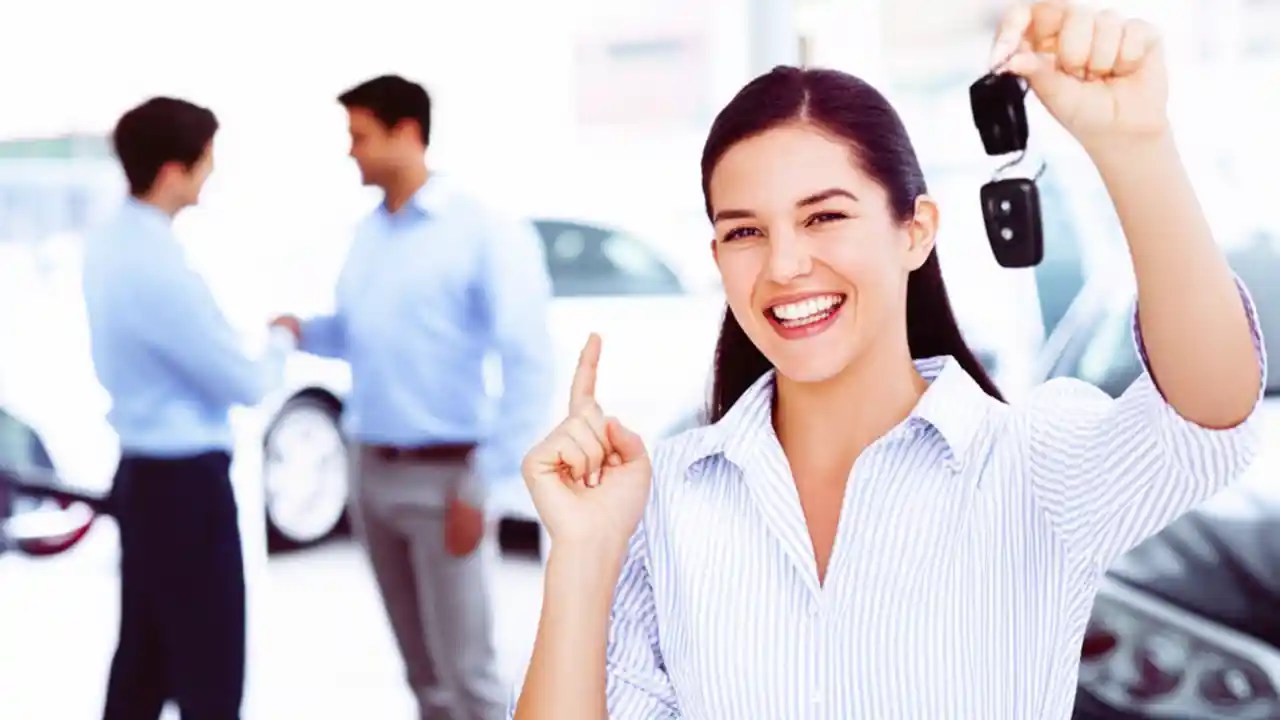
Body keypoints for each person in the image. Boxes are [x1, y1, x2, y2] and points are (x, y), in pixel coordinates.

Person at [510, 3, 1267, 718]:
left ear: (916, 231)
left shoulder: (1029, 462)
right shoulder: (665, 501)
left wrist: (1135, 146)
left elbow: (1204, 414)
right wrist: (582, 552)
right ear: (717, 257)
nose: (785, 265)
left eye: (825, 216)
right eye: (746, 233)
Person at [271, 74, 554, 720]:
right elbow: (362, 335)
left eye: (359, 136)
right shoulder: (369, 234)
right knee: (422, 675)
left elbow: (529, 362)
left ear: (407, 133)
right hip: (371, 473)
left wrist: (485, 482)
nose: (351, 152)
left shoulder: (481, 231)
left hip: (447, 480)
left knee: (469, 677)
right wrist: (304, 332)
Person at [83, 97, 289, 720]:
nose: (212, 173)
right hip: (185, 490)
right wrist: (282, 339)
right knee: (210, 671)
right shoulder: (158, 266)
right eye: (206, 160)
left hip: (145, 481)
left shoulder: (110, 240)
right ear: (175, 170)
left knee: (143, 664)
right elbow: (245, 381)